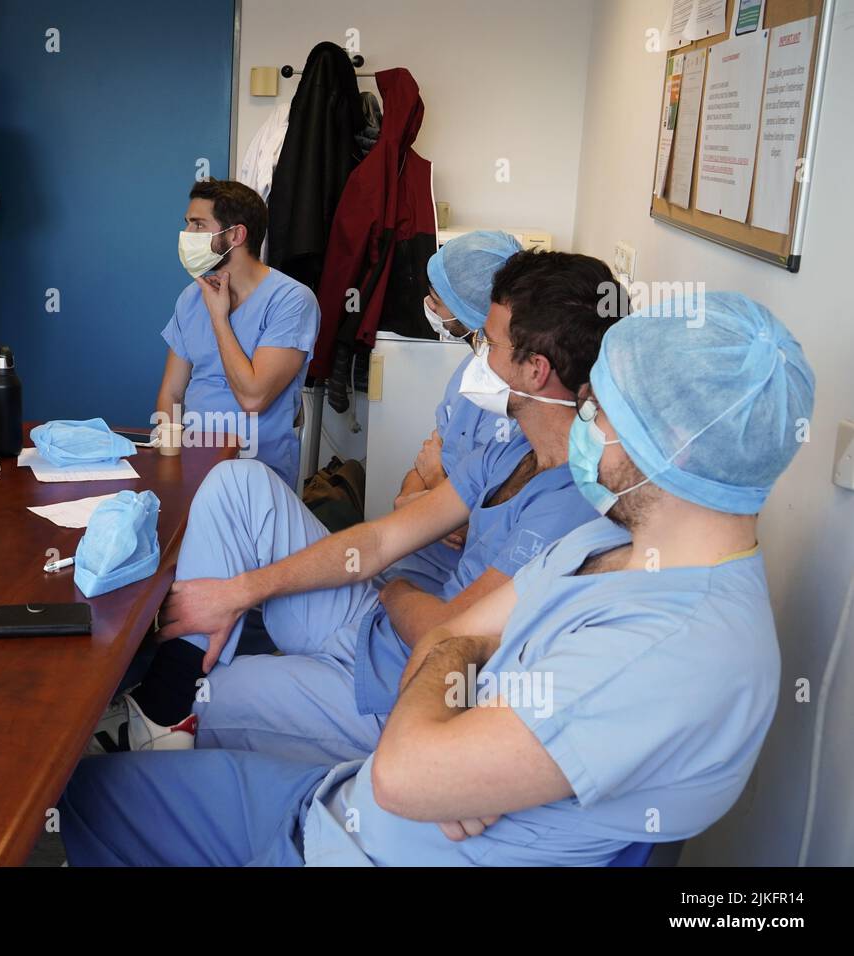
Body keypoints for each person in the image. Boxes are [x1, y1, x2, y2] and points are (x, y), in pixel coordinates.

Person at [59, 290, 815, 866]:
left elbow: (411, 767)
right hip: (345, 792)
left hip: (353, 844)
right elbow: (452, 636)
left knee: (94, 792)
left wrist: (441, 724)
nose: (588, 417)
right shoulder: (604, 536)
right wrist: (449, 707)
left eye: (605, 409)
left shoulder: (677, 652)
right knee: (88, 794)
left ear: (670, 444)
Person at [90, 250, 618, 759]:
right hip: (379, 621)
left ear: (535, 371)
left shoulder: (570, 501)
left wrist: (397, 590)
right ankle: (166, 701)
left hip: (404, 686)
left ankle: (172, 713)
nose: (478, 352)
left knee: (219, 693)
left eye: (491, 342)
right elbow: (381, 539)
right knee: (236, 483)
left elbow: (448, 636)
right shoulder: (509, 447)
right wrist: (241, 590)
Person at [156, 178, 319, 489]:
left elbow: (253, 397)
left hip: (258, 477)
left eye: (198, 225)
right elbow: (172, 393)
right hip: (192, 469)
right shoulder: (191, 298)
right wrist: (169, 463)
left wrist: (219, 319)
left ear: (235, 234)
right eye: (187, 223)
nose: (187, 235)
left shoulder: (292, 301)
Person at [387, 230, 525, 591]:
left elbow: (473, 528)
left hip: (461, 571)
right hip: (424, 537)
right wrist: (409, 500)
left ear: (470, 308)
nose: (429, 307)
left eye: (437, 300)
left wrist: (433, 482)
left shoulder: (512, 402)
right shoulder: (470, 371)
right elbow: (430, 452)